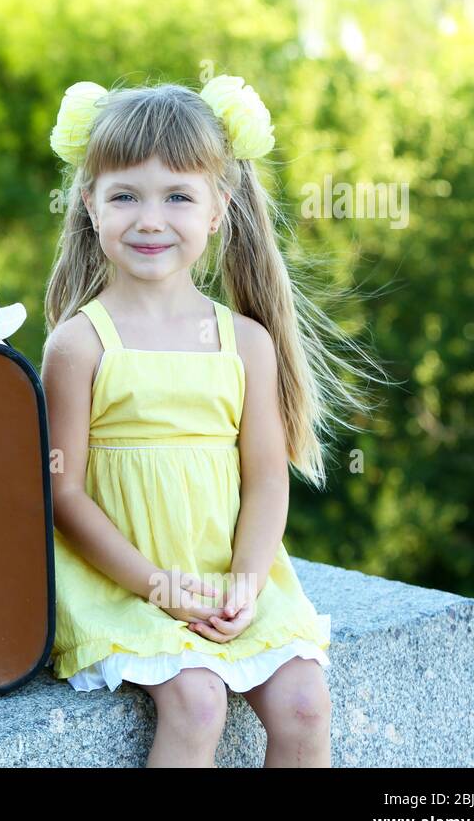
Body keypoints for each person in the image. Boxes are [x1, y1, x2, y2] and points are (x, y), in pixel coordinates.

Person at [40, 75, 387, 767]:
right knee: (197, 702)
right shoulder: (79, 345)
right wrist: (157, 585)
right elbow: (63, 494)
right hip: (123, 580)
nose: (150, 219)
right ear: (88, 204)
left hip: (231, 574)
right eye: (125, 196)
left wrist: (248, 581)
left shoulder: (246, 343)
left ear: (218, 208)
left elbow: (265, 480)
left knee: (305, 703)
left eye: (177, 197)